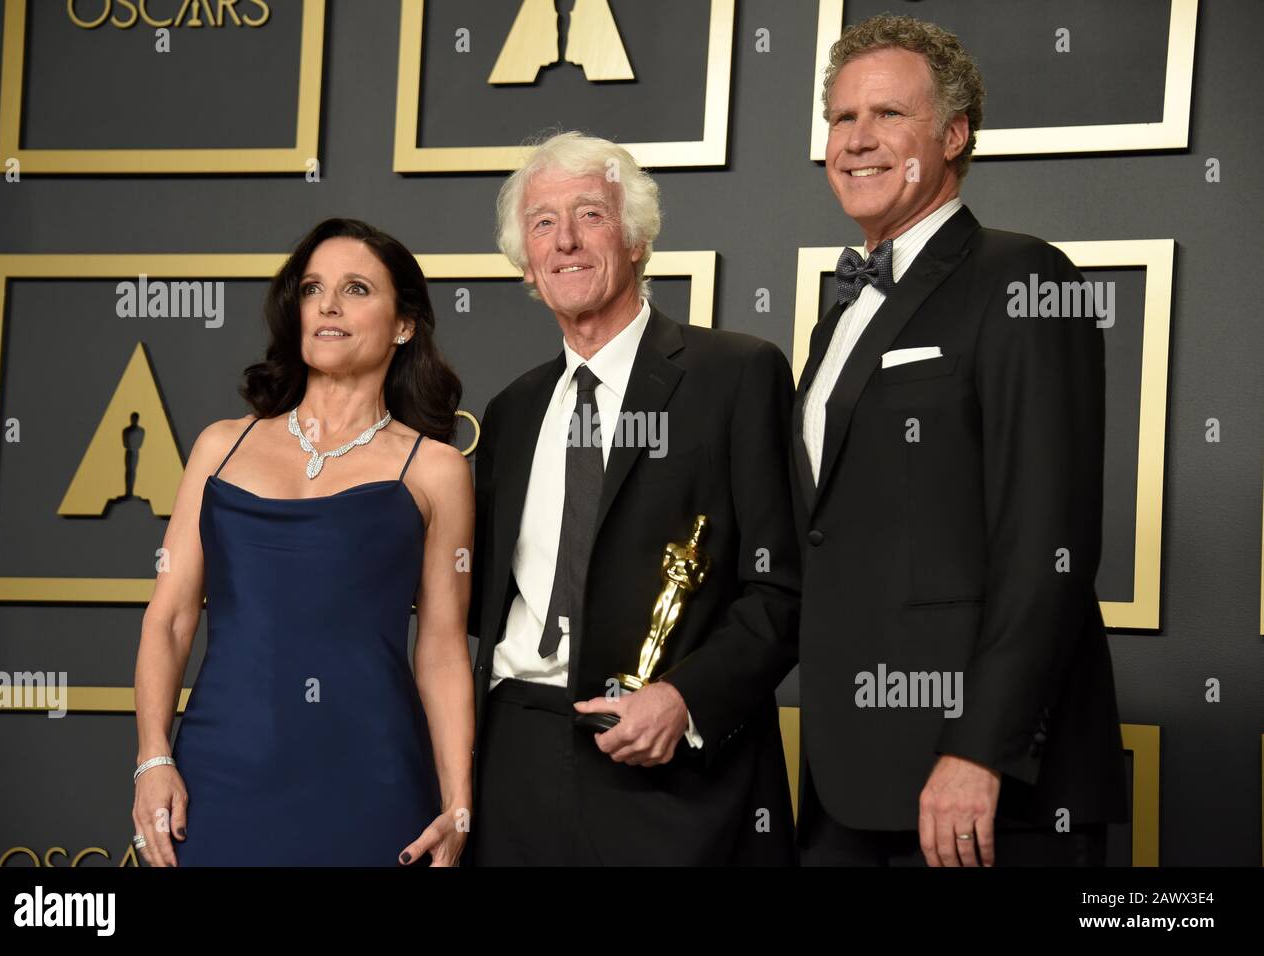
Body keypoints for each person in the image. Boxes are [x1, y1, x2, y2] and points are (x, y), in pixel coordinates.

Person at [794, 14, 1128, 867]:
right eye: (841, 118)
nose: (857, 140)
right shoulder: (842, 312)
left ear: (953, 134)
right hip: (849, 779)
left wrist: (981, 749)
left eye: (887, 116)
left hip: (981, 788)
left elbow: (1047, 537)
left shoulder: (1025, 277)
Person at [468, 131, 801, 865]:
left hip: (670, 771)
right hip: (514, 753)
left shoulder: (736, 375)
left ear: (638, 238)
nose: (566, 242)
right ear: (525, 261)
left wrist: (685, 702)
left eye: (590, 214)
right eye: (543, 224)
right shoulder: (512, 412)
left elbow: (783, 588)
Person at [131, 218, 475, 866]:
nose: (328, 305)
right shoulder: (220, 445)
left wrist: (457, 801)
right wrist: (152, 757)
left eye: (356, 289)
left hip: (374, 777)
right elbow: (171, 618)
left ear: (404, 324)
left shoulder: (435, 470)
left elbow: (442, 648)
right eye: (314, 288)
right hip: (219, 770)